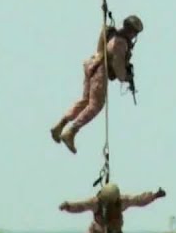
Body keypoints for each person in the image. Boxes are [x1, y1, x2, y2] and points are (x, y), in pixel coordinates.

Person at [50, 14, 143, 154]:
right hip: (100, 70)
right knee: (96, 105)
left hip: (93, 65)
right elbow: (118, 68)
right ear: (132, 31)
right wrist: (126, 77)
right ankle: (71, 132)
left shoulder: (113, 36)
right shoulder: (120, 43)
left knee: (85, 101)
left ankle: (60, 126)